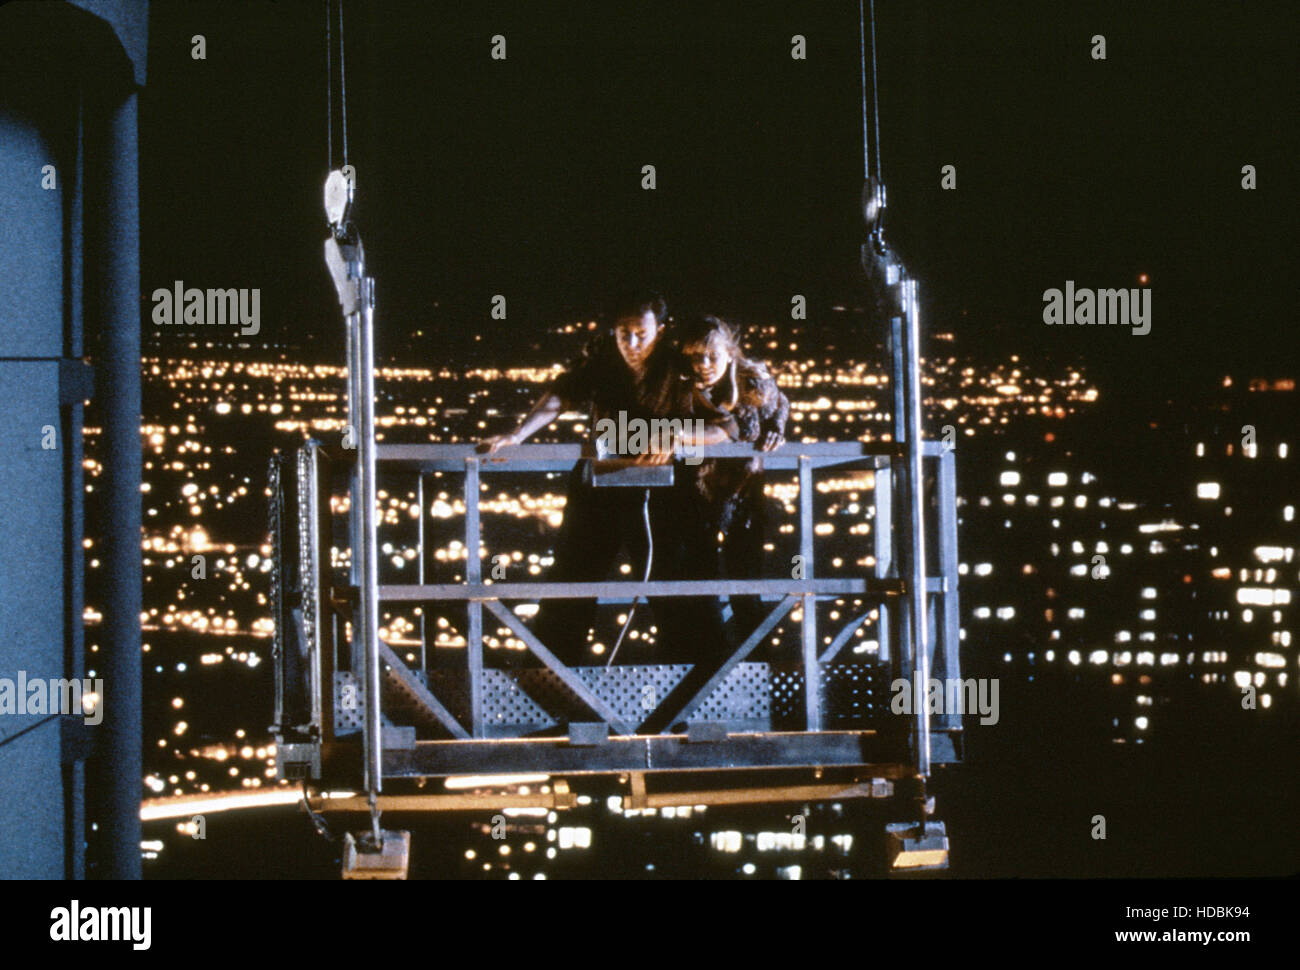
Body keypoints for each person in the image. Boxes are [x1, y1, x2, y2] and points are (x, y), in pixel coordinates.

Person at [478, 292, 728, 668]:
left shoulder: (679, 365)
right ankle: (553, 682)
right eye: (623, 333)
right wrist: (518, 434)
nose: (631, 344)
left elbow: (724, 425)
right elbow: (560, 396)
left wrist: (676, 436)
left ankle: (693, 687)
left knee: (676, 587)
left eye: (640, 334)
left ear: (659, 331)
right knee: (571, 582)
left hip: (664, 493)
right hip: (602, 485)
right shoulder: (601, 359)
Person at [676, 313, 789, 648]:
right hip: (696, 496)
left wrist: (776, 429)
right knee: (701, 587)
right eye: (697, 356)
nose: (705, 364)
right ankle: (712, 667)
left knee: (746, 587)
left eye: (712, 356)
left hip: (743, 497)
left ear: (729, 353)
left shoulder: (750, 381)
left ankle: (758, 666)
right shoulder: (680, 385)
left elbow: (780, 403)